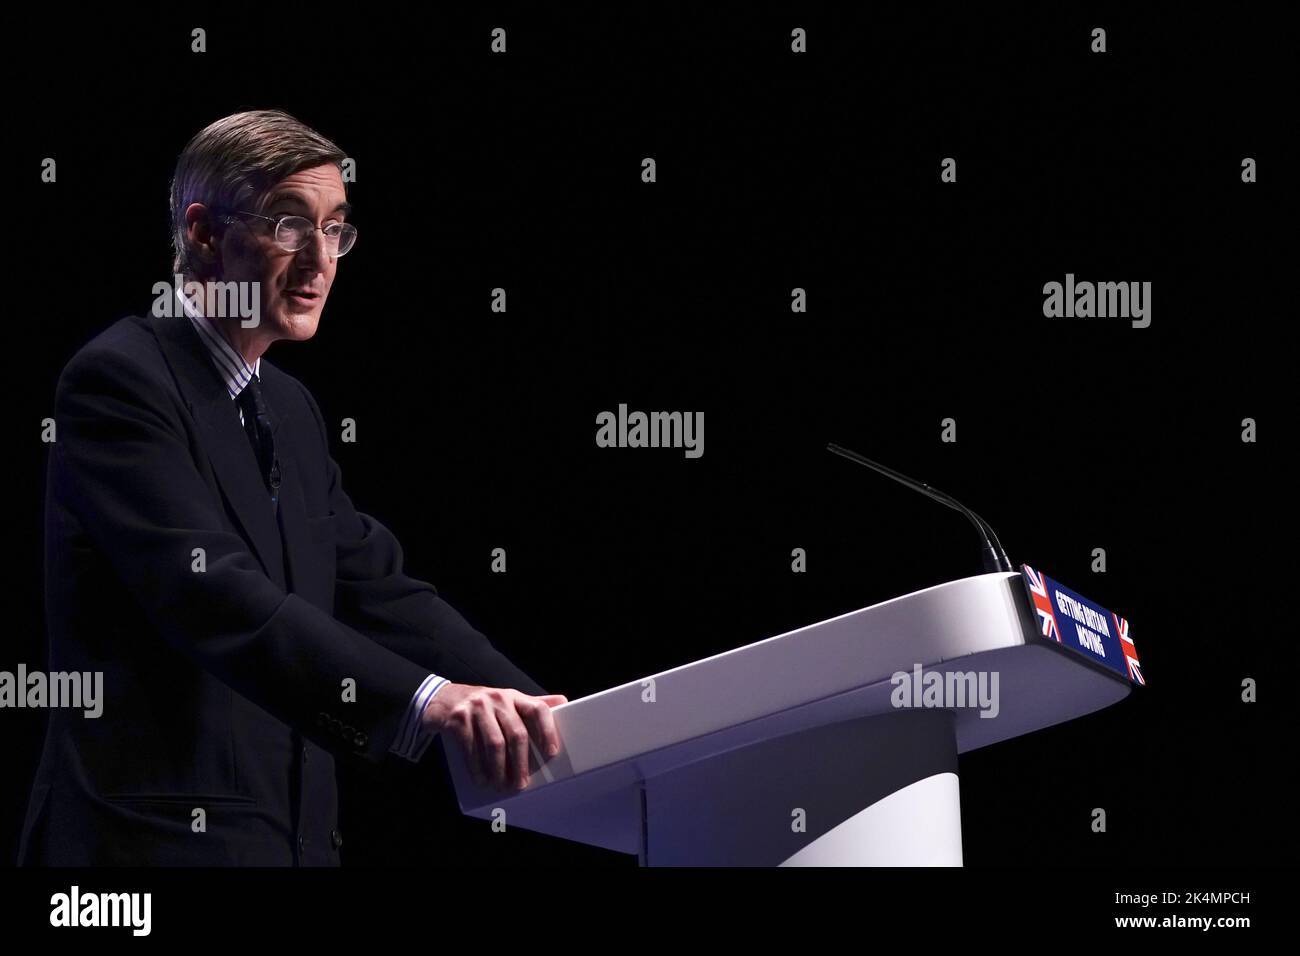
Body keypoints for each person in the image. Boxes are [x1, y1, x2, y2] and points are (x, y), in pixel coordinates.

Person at [17, 109, 565, 866]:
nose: (320, 260)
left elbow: (377, 586)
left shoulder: (291, 411)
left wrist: (547, 715)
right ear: (204, 232)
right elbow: (212, 594)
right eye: (288, 225)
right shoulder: (120, 381)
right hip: (149, 854)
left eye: (336, 228)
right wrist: (428, 700)